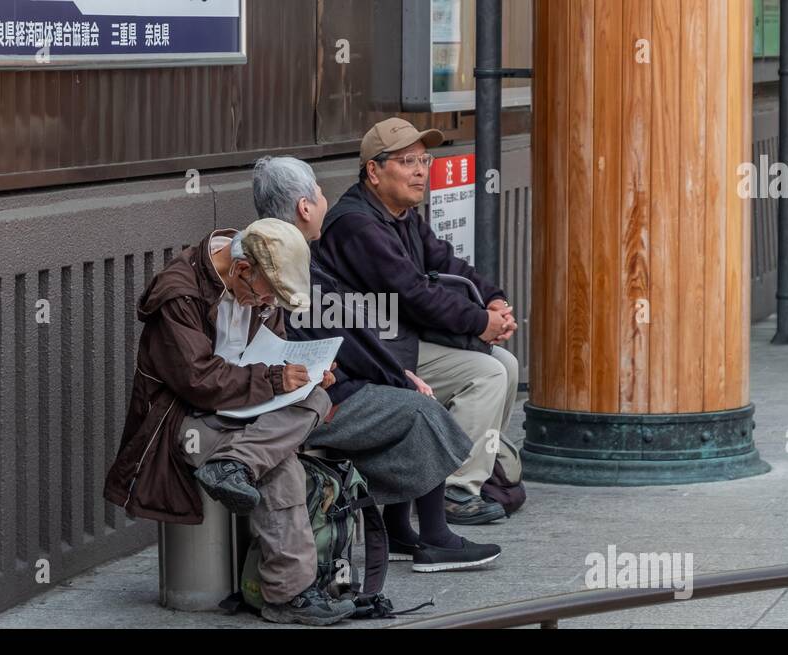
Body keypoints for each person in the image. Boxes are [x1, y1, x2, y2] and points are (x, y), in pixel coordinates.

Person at [251, 155, 501, 571]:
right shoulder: (295, 257)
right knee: (420, 410)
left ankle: (402, 532)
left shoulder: (290, 250)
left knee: (406, 395)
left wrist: (394, 373)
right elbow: (343, 337)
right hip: (310, 395)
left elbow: (348, 335)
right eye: (317, 192)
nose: (323, 200)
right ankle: (436, 540)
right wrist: (397, 378)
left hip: (320, 380)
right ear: (304, 207)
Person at [103, 217, 355, 626]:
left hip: (241, 415)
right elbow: (197, 380)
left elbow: (269, 352)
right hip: (180, 421)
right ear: (241, 269)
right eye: (264, 298)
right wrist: (275, 380)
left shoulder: (256, 282)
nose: (267, 307)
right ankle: (287, 596)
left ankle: (235, 464)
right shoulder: (179, 293)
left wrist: (304, 373)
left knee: (319, 395)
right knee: (281, 466)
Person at [313, 118, 521, 526]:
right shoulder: (356, 224)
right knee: (488, 374)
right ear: (374, 171)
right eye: (407, 161)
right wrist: (480, 322)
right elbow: (413, 295)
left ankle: (473, 469)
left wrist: (494, 298)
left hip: (402, 341)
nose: (421, 170)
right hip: (374, 356)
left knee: (507, 365)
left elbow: (447, 262)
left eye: (424, 159)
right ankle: (453, 490)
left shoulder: (402, 214)